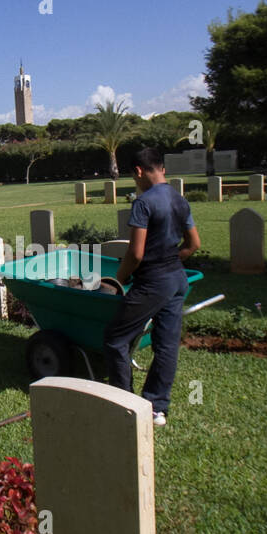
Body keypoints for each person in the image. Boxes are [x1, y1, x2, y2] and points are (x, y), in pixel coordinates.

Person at [102, 146, 200, 426]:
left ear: (139, 172)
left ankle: (124, 402)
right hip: (177, 280)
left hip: (153, 283)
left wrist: (117, 281)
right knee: (166, 344)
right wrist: (170, 260)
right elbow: (194, 245)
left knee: (115, 339)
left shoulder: (143, 203)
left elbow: (135, 253)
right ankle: (157, 408)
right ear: (163, 169)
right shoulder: (180, 200)